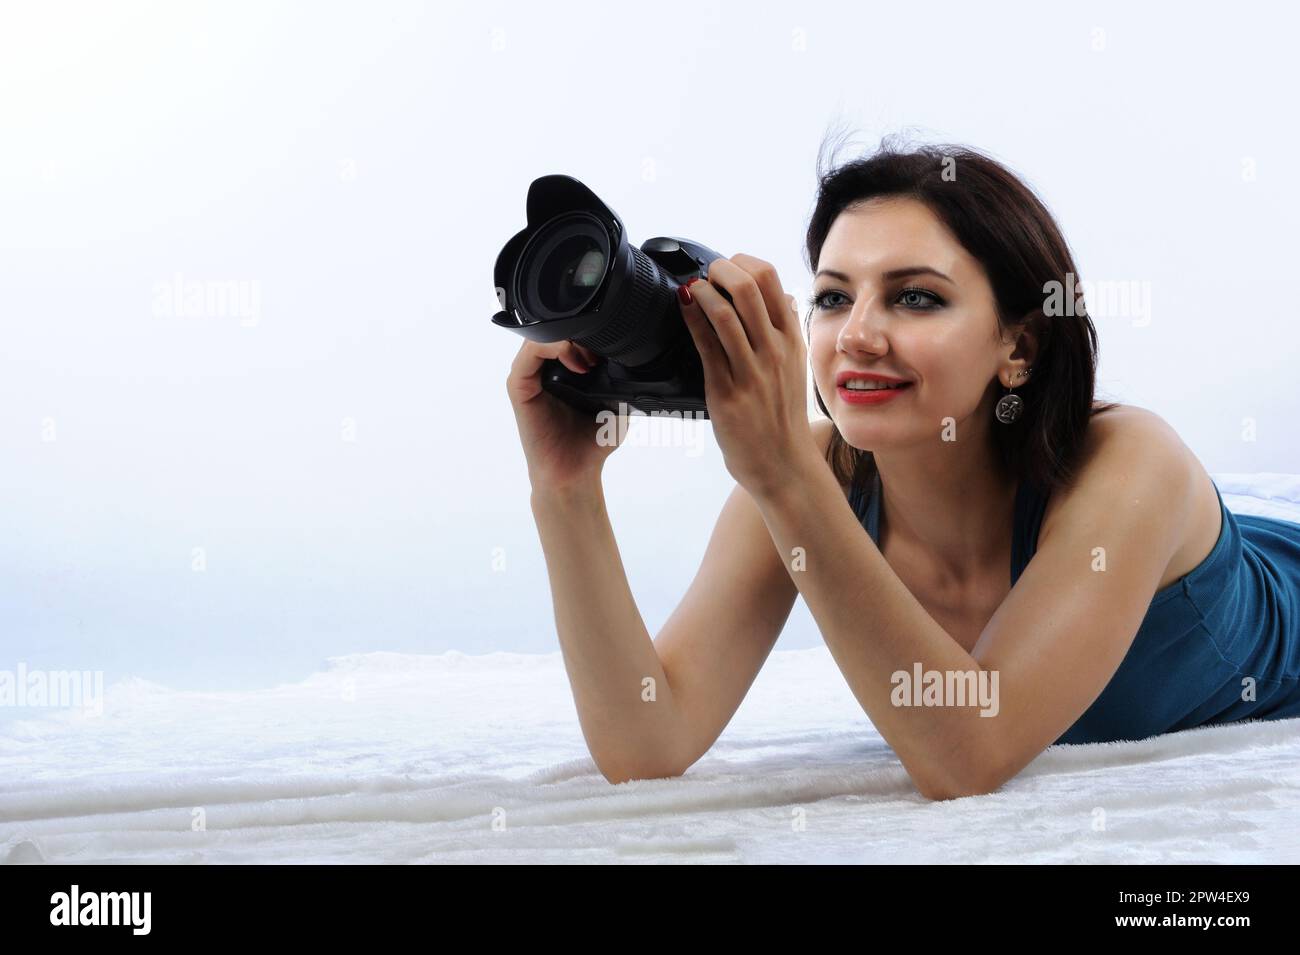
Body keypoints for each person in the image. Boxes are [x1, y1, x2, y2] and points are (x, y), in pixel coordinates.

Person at [504, 135, 1300, 800]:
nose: (856, 335)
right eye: (832, 297)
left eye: (915, 298)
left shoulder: (1131, 462)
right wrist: (566, 490)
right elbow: (648, 742)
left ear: (1018, 347)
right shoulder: (808, 478)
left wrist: (784, 475)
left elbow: (968, 753)